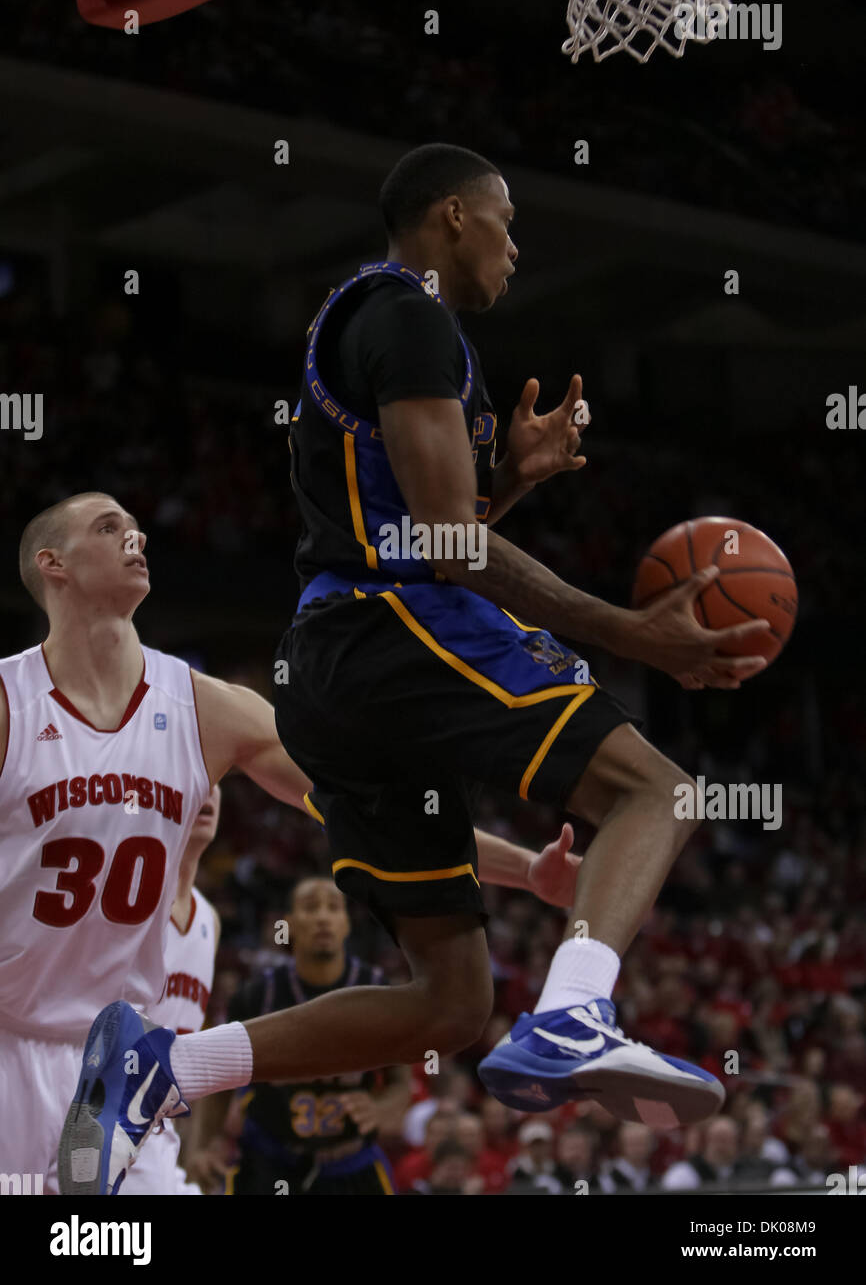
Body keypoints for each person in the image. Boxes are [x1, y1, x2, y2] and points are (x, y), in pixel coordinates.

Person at [68, 144, 769, 1195]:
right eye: (505, 220)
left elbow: (415, 523)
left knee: (448, 1004)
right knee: (656, 788)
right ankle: (576, 1009)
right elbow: (441, 548)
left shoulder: (368, 323)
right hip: (391, 631)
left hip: (333, 666)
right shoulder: (411, 317)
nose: (514, 246)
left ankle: (161, 1062)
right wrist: (634, 631)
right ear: (451, 216)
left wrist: (510, 480)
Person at [0, 490, 310, 1196]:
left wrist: (513, 868)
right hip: (8, 1044)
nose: (135, 539)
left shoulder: (205, 707)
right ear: (54, 564)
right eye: (110, 529)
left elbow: (356, 806)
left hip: (125, 1071)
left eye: (139, 529)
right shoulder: (9, 703)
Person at [205, 876, 410, 1196]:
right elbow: (217, 1080)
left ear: (346, 924)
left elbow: (401, 1080)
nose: (323, 917)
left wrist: (381, 1109)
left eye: (334, 908)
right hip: (270, 1159)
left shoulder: (380, 992)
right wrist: (205, 1144)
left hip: (352, 1161)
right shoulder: (257, 996)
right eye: (311, 908)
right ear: (288, 924)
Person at [121, 784, 223, 1195]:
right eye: (200, 779)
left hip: (160, 1138)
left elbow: (190, 1059)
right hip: (100, 1124)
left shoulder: (209, 920)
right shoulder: (128, 894)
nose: (210, 791)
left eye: (219, 783)